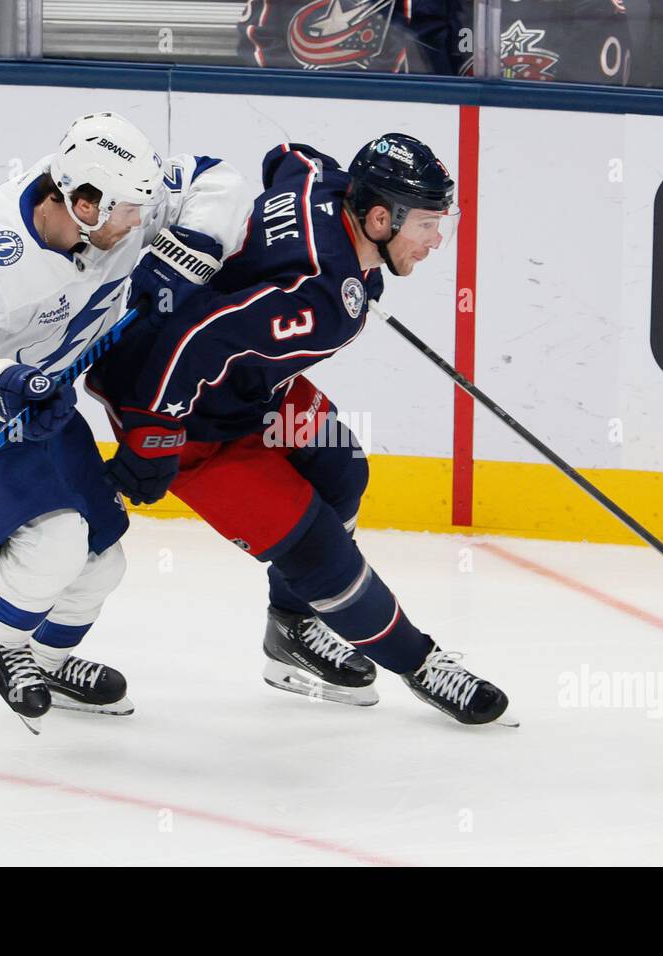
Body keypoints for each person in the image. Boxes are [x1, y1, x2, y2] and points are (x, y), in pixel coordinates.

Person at [86, 133, 512, 726]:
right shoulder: (320, 301)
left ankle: (293, 630)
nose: (437, 239)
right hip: (182, 410)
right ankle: (423, 665)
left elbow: (289, 154)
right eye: (428, 224)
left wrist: (351, 262)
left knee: (341, 467)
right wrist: (153, 434)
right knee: (316, 546)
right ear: (382, 218)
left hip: (249, 389)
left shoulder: (323, 183)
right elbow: (198, 343)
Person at [0, 112, 250, 733]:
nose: (142, 222)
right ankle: (2, 640)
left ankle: (50, 658)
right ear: (82, 204)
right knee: (53, 545)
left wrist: (195, 245)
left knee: (102, 562)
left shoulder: (114, 194)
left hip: (43, 393)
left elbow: (221, 180)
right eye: (128, 213)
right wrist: (0, 385)